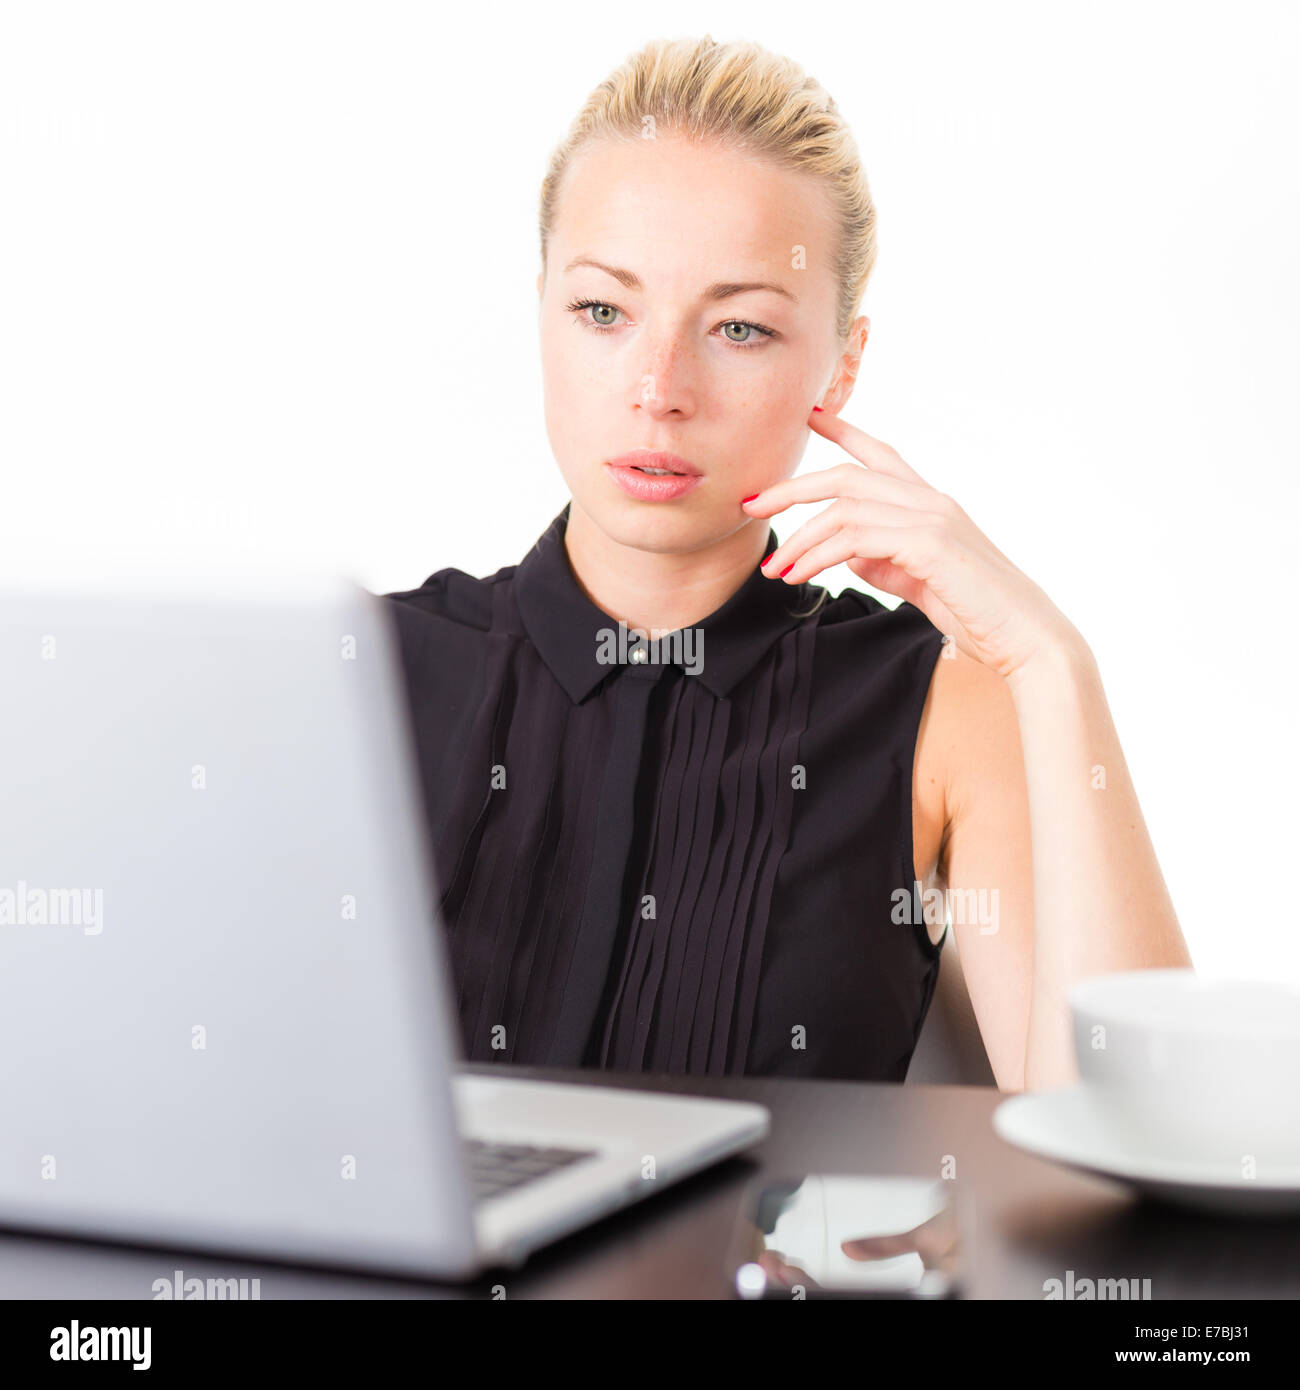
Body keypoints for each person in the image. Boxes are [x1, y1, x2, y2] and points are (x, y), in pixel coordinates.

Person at [384, 35, 1192, 1091]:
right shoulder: (364, 670)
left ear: (840, 366)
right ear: (543, 311)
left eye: (739, 328)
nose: (659, 388)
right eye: (603, 311)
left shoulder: (945, 708)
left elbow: (1137, 1135)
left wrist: (1049, 661)